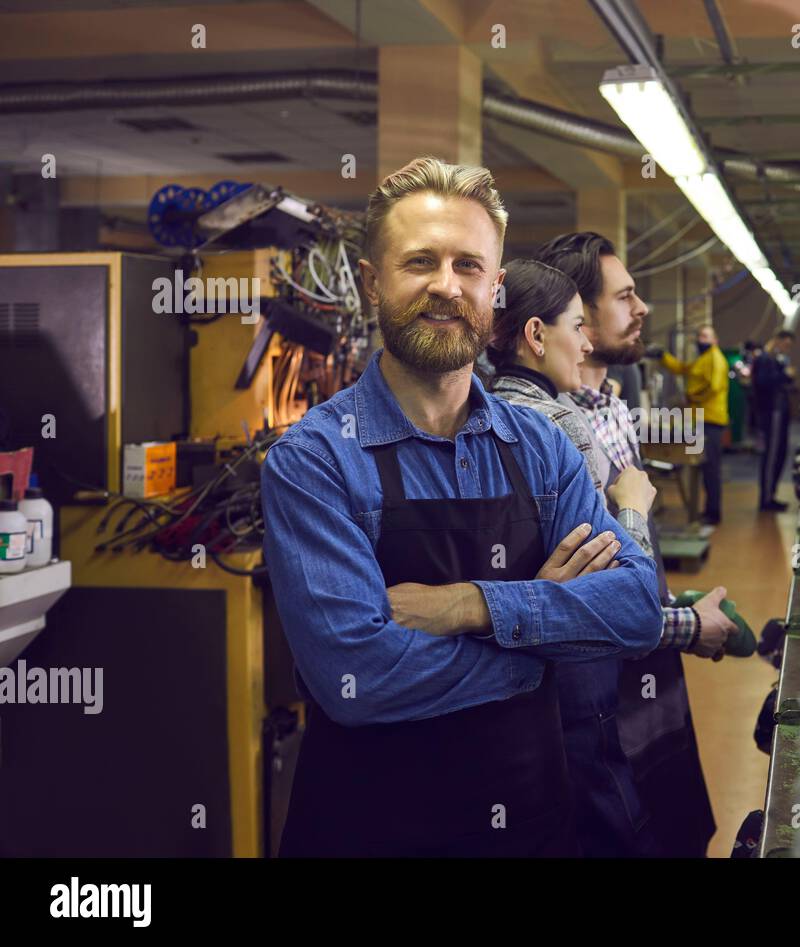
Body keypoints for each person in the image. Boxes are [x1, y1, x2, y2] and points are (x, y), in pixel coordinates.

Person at [260, 157, 662, 857]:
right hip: (369, 835)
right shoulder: (315, 461)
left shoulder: (538, 445)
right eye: (420, 262)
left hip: (532, 825)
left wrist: (472, 605)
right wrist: (542, 638)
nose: (447, 285)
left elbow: (636, 606)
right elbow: (359, 679)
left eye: (469, 265)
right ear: (371, 280)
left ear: (495, 287)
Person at [485, 258, 732, 856]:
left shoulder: (500, 409)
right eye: (578, 323)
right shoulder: (555, 425)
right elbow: (629, 599)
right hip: (576, 686)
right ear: (536, 336)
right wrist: (632, 506)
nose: (588, 340)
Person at [658, 324, 730, 525]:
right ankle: (706, 510)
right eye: (699, 336)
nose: (701, 339)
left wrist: (691, 397)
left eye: (706, 336)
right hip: (700, 419)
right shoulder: (702, 359)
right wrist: (663, 356)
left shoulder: (715, 359)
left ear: (715, 340)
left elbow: (713, 387)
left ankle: (714, 513)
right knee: (704, 467)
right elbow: (683, 369)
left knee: (711, 468)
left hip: (711, 421)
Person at [752, 330, 797, 511]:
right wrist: (786, 375)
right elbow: (764, 383)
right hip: (772, 414)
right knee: (771, 456)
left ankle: (771, 495)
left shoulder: (774, 359)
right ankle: (766, 499)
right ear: (777, 341)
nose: (786, 349)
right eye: (785, 345)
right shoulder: (765, 359)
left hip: (777, 412)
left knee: (779, 455)